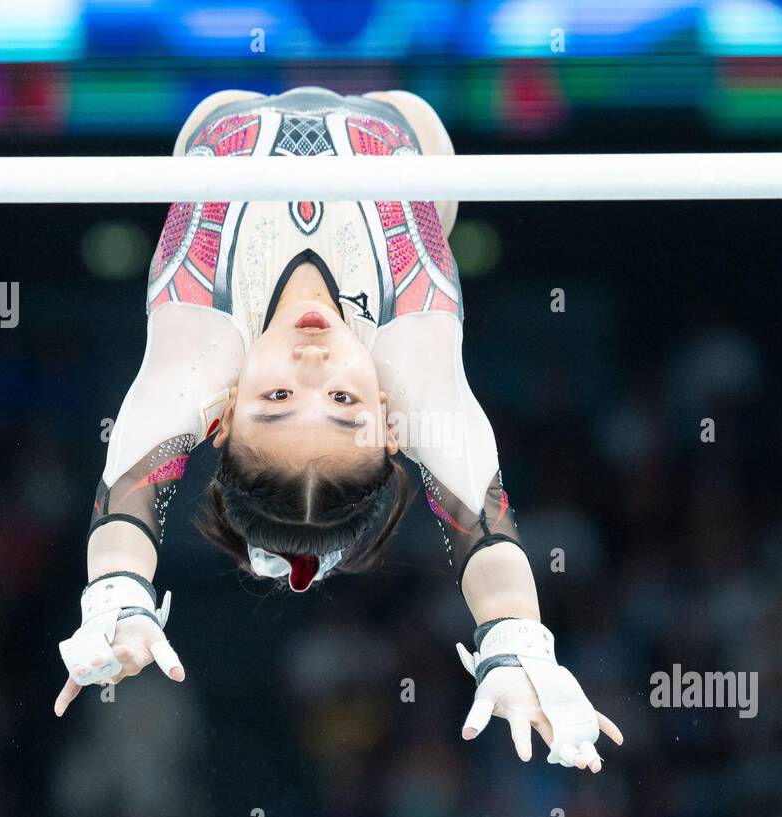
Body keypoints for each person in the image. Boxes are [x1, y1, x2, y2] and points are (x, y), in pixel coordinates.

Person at [55, 87, 622, 772]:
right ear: (388, 424)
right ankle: (297, 542)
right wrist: (514, 638)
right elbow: (486, 537)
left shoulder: (198, 343)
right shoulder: (415, 365)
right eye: (345, 400)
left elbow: (128, 500)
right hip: (403, 124)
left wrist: (118, 592)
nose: (314, 362)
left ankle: (294, 542)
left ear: (223, 413)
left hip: (222, 115)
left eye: (279, 396)